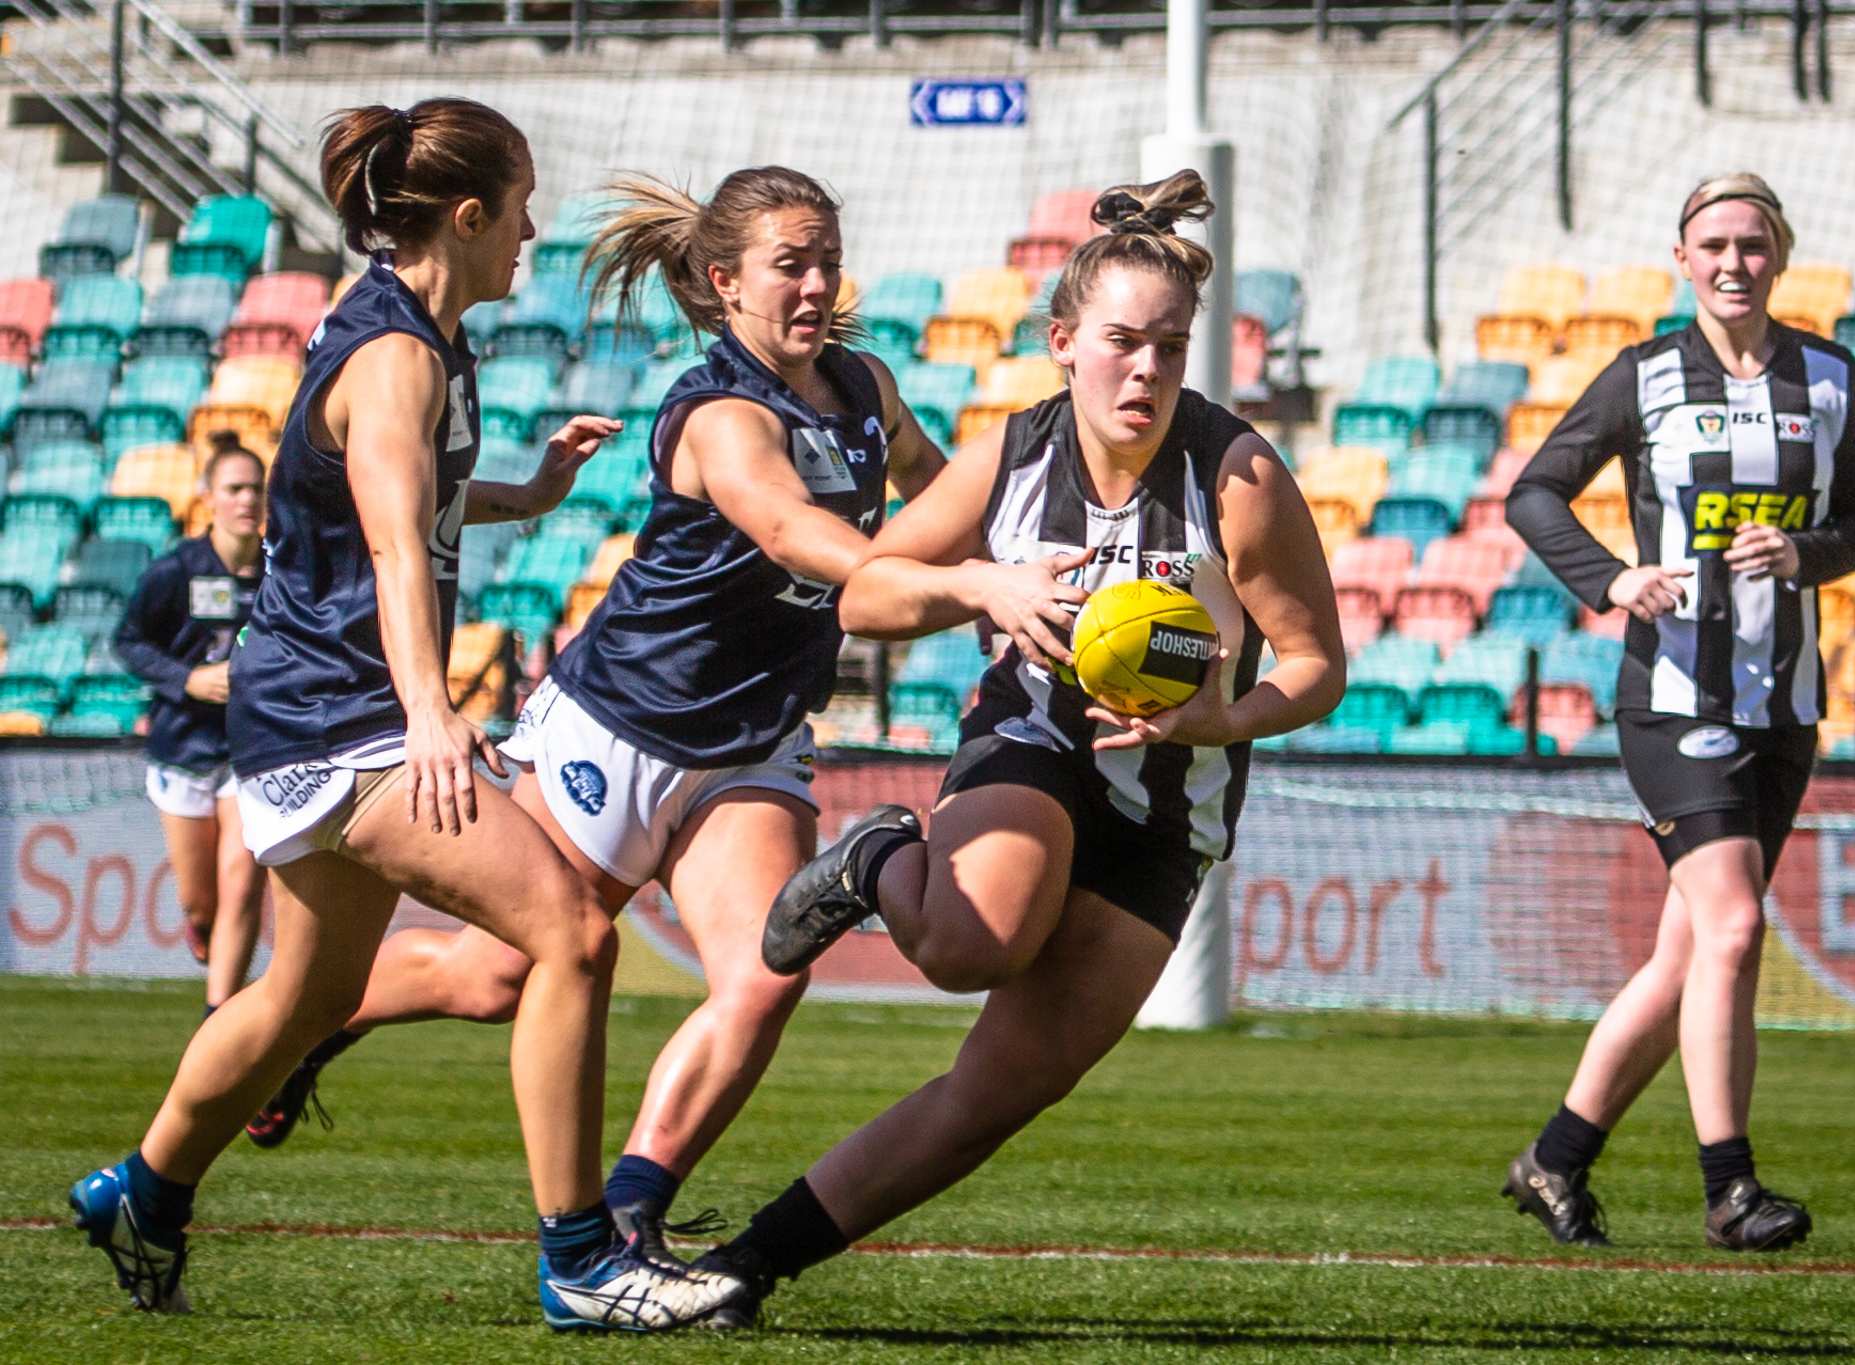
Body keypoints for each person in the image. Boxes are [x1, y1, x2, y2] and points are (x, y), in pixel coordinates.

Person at [69, 97, 734, 1332]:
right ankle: (583, 1261)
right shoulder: (396, 356)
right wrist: (429, 712)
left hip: (306, 712)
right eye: (522, 209)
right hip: (345, 716)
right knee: (573, 939)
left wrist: (521, 491)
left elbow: (397, 499)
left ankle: (143, 1192)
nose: (532, 234)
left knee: (306, 1002)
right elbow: (384, 539)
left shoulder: (415, 337)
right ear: (469, 217)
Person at [243, 165, 948, 1272]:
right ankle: (311, 1024)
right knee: (495, 976)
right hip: (618, 730)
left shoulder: (864, 385)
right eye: (788, 265)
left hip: (750, 741)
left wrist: (1016, 560)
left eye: (825, 260)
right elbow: (798, 538)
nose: (815, 285)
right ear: (723, 283)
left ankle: (628, 1211)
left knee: (767, 974)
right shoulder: (720, 413)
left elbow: (933, 487)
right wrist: (967, 592)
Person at [683, 170, 1345, 1327]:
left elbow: (1314, 663)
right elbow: (865, 598)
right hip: (1035, 739)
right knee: (964, 943)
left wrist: (1220, 718)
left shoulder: (1235, 479)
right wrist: (979, 582)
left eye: (1170, 349)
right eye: (1122, 343)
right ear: (1063, 344)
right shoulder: (1009, 457)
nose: (1145, 371)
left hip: (1168, 807)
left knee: (996, 1094)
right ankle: (880, 857)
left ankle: (745, 1265)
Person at [1501, 172, 1855, 1252]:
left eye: (1751, 245)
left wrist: (1803, 552)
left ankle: (1553, 1159)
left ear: (1779, 254)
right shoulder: (1641, 378)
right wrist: (1611, 578)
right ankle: (1729, 1190)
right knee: (1731, 927)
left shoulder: (1829, 375)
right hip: (1673, 699)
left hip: (1785, 701)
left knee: (1689, 957)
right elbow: (1532, 492)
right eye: (1712, 244)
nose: (1732, 263)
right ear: (1682, 259)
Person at [115, 433, 268, 1011]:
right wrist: (186, 679)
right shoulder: (175, 569)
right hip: (182, 745)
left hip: (250, 748)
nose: (247, 499)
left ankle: (217, 1016)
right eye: (234, 488)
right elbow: (128, 641)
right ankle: (200, 927)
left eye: (256, 488)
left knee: (243, 881)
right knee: (201, 902)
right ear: (208, 498)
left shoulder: (281, 573)